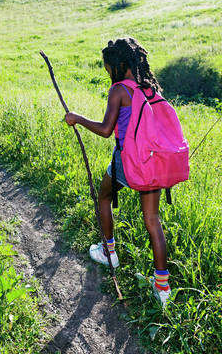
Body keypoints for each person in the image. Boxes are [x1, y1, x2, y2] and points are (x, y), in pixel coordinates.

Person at [64, 37, 171, 306]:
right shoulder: (149, 89)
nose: (107, 72)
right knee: (153, 220)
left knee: (103, 195)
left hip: (128, 161)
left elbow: (105, 130)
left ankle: (109, 252)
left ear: (118, 64)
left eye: (108, 67)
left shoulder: (119, 91)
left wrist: (77, 118)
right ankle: (163, 289)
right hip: (154, 162)